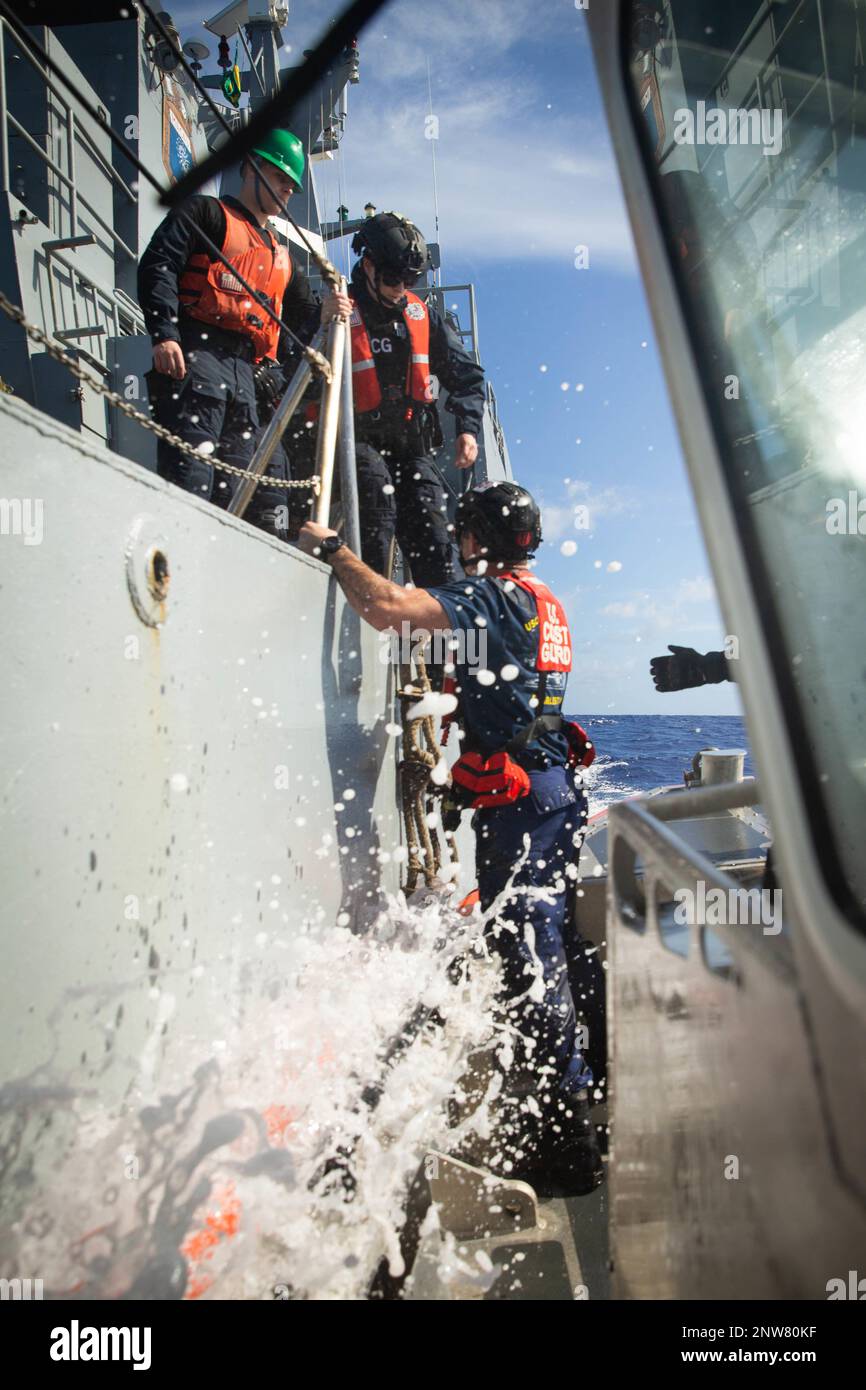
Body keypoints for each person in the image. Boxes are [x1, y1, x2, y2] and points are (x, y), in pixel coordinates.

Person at [297, 480, 604, 1194]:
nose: (460, 546)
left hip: (525, 805)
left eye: (466, 534)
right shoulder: (543, 600)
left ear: (483, 539)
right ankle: (590, 1081)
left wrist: (336, 550)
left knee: (533, 964)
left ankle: (566, 1146)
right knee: (556, 944)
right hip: (555, 795)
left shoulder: (495, 598)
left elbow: (388, 611)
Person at [137, 127, 325, 539]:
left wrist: (282, 367)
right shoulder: (206, 215)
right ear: (252, 168)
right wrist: (164, 332)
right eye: (280, 178)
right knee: (191, 485)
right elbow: (160, 264)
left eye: (291, 185)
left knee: (263, 501)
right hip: (198, 363)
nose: (287, 192)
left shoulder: (284, 258)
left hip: (253, 388)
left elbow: (306, 323)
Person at [314, 211, 487, 586]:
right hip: (354, 442)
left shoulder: (422, 317)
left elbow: (467, 377)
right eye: (394, 278)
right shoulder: (337, 307)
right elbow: (291, 359)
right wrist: (320, 322)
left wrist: (468, 430)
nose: (401, 287)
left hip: (410, 448)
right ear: (369, 264)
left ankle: (439, 638)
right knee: (376, 504)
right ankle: (368, 617)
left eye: (411, 279)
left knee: (435, 535)